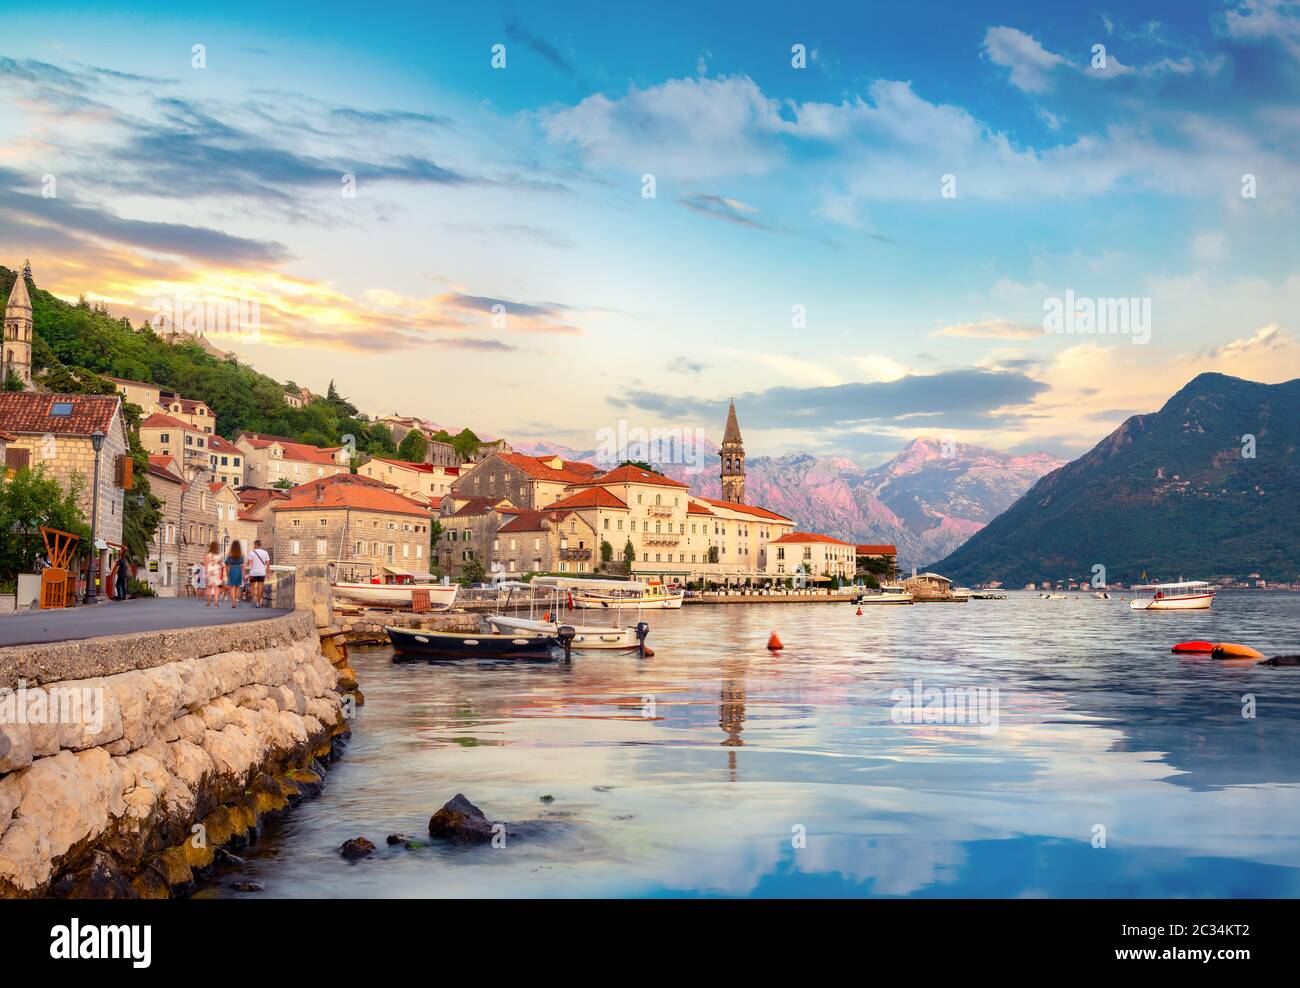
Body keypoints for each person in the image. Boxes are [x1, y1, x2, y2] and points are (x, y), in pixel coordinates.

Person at [248, 539, 271, 608]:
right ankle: (258, 602)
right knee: (260, 587)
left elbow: (249, 563)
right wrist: (268, 573)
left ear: (255, 545)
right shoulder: (265, 553)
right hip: (261, 572)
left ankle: (254, 598)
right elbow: (267, 565)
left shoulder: (251, 553)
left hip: (253, 572)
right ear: (260, 545)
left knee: (252, 587)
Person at [224, 541, 246, 609]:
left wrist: (227, 572)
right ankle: (237, 598)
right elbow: (243, 565)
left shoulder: (229, 554)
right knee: (237, 586)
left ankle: (233, 603)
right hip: (238, 570)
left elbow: (226, 564)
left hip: (232, 569)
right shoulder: (241, 555)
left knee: (232, 587)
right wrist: (244, 574)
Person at [202, 541, 224, 608]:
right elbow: (221, 565)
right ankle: (216, 604)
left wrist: (206, 572)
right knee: (216, 588)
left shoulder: (207, 555)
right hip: (216, 573)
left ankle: (208, 603)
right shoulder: (219, 555)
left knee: (209, 588)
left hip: (209, 573)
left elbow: (205, 564)